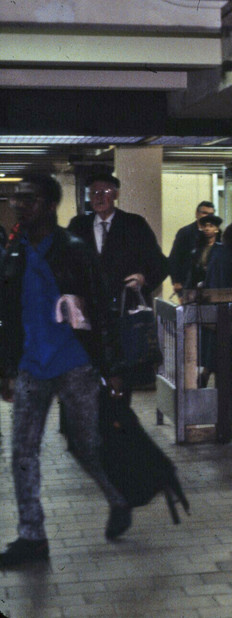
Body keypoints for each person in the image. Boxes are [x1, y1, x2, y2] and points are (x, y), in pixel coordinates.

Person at [0, 173, 133, 567]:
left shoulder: (74, 249)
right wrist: (6, 368)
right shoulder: (13, 253)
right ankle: (33, 537)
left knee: (86, 447)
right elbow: (6, 316)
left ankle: (118, 499)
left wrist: (111, 368)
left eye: (31, 199)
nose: (21, 205)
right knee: (22, 451)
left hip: (74, 364)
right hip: (30, 368)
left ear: (51, 205)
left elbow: (100, 310)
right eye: (18, 199)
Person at [66, 171, 168, 310]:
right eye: (94, 192)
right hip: (89, 309)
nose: (99, 197)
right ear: (89, 197)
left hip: (125, 307)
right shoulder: (78, 225)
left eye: (105, 191)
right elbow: (66, 264)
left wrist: (143, 279)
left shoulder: (134, 224)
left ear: (115, 195)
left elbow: (160, 264)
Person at [167, 201, 216, 297]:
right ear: (197, 214)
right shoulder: (185, 233)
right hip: (188, 282)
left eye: (211, 214)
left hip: (210, 282)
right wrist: (176, 281)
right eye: (204, 213)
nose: (207, 216)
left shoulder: (216, 233)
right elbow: (174, 258)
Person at [184, 214, 222, 289]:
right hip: (199, 288)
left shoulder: (221, 249)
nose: (207, 229)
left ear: (216, 229)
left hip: (216, 287)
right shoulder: (197, 250)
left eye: (211, 226)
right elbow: (192, 274)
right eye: (205, 226)